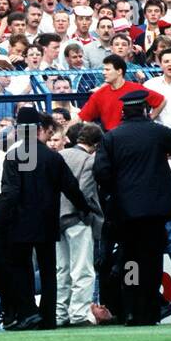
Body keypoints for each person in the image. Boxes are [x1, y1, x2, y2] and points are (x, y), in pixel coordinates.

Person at [94, 92, 171, 326]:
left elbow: (101, 172)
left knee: (130, 260)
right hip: (154, 210)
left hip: (126, 212)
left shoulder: (112, 137)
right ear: (144, 110)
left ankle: (131, 309)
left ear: (123, 112)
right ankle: (149, 309)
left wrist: (118, 190)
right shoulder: (156, 132)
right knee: (151, 261)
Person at [0, 107, 91, 331]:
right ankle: (48, 318)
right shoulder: (52, 157)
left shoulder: (14, 156)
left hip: (20, 222)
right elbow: (71, 187)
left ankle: (28, 313)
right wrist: (85, 209)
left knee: (21, 267)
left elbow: (10, 193)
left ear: (18, 130)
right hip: (47, 221)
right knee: (48, 271)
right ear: (38, 129)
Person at [55, 121, 102, 329]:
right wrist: (86, 214)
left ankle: (60, 313)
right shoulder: (89, 161)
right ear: (95, 144)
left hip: (56, 219)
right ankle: (78, 314)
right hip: (77, 218)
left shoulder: (60, 155)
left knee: (62, 269)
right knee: (82, 269)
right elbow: (82, 191)